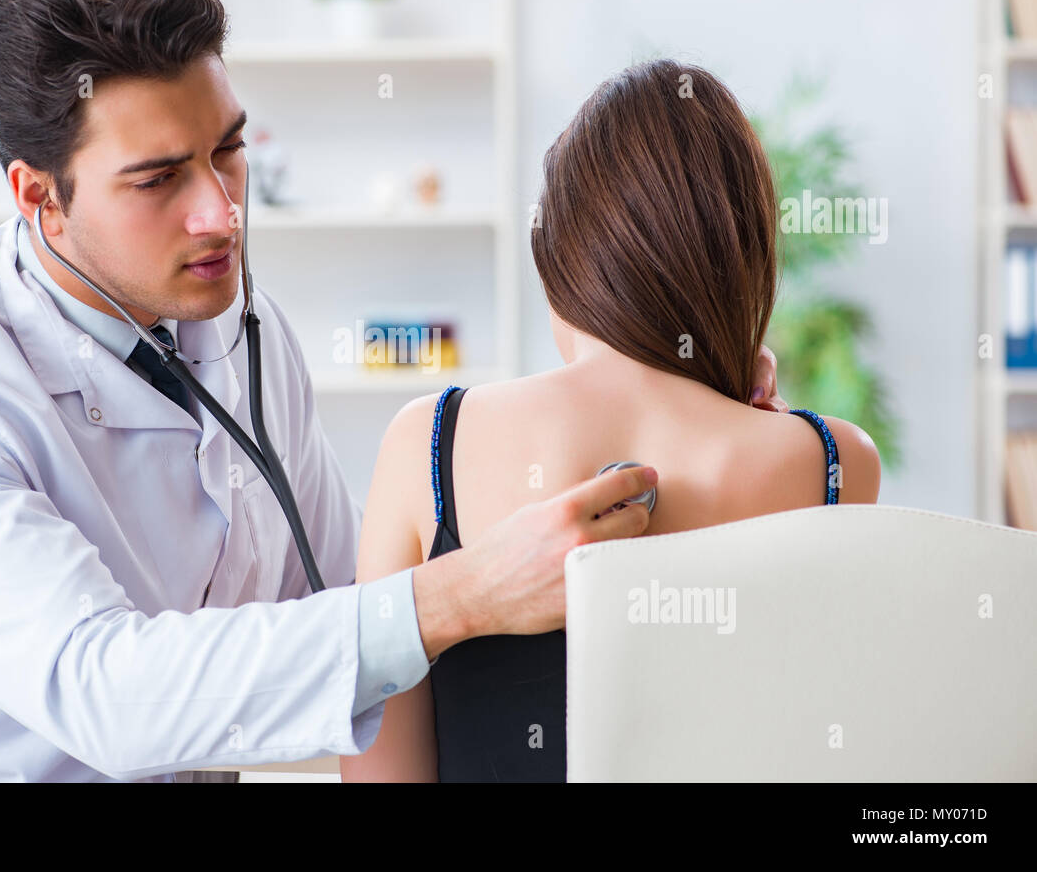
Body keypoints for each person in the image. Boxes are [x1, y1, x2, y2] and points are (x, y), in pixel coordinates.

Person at [0, 0, 785, 782]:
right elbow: (108, 693)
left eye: (227, 152)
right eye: (158, 179)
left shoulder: (240, 328)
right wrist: (462, 594)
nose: (221, 211)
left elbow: (329, 610)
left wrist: (682, 420)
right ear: (37, 196)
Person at [340, 59, 881, 783]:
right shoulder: (836, 461)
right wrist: (769, 425)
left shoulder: (426, 442)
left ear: (562, 262)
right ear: (741, 260)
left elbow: (381, 774)